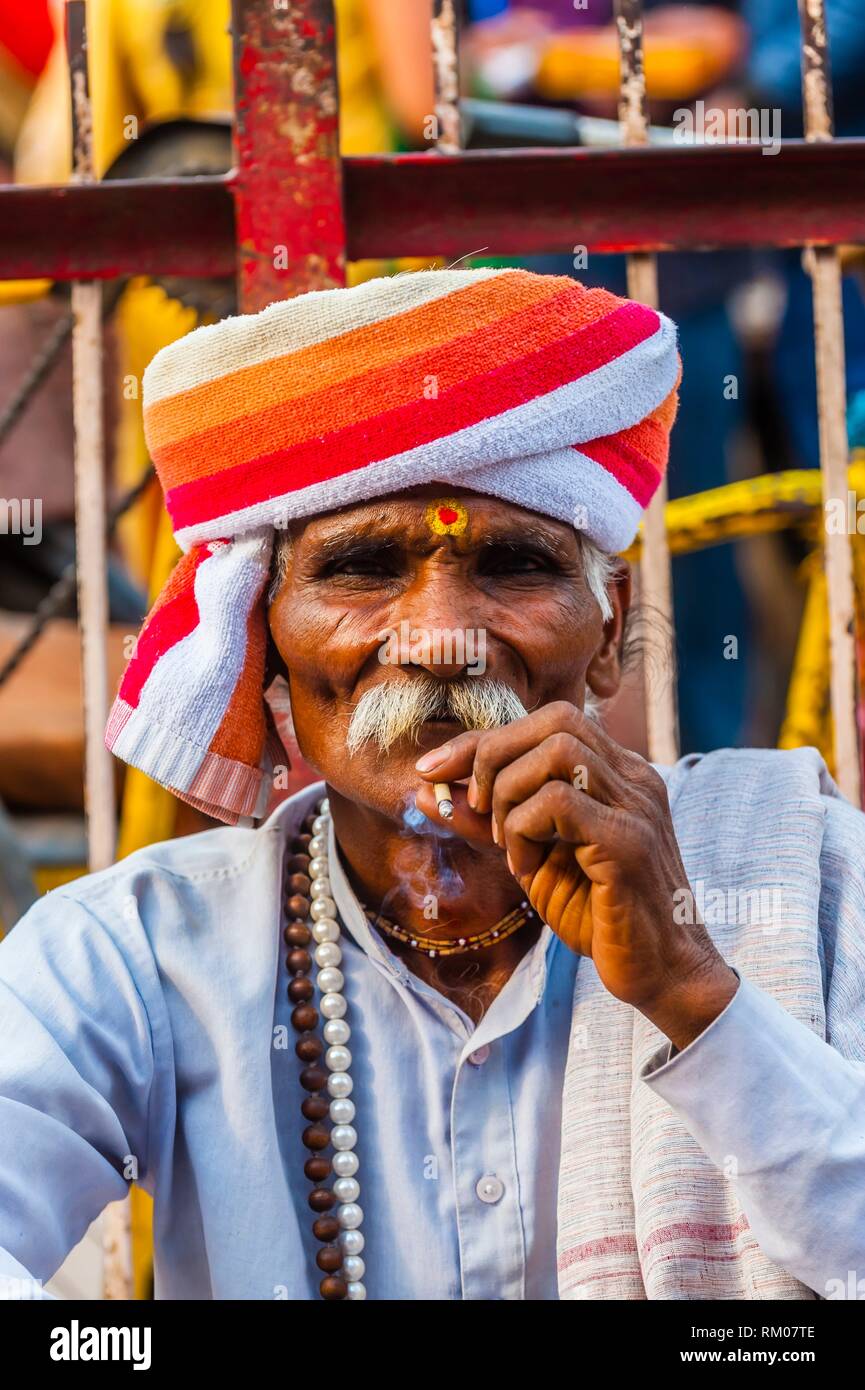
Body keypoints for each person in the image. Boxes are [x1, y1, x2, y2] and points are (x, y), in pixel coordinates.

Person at [1, 267, 864, 1301]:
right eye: (363, 568)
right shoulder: (137, 954)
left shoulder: (807, 879)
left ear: (609, 635)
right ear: (263, 644)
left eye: (512, 566)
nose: (444, 638)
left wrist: (694, 993)